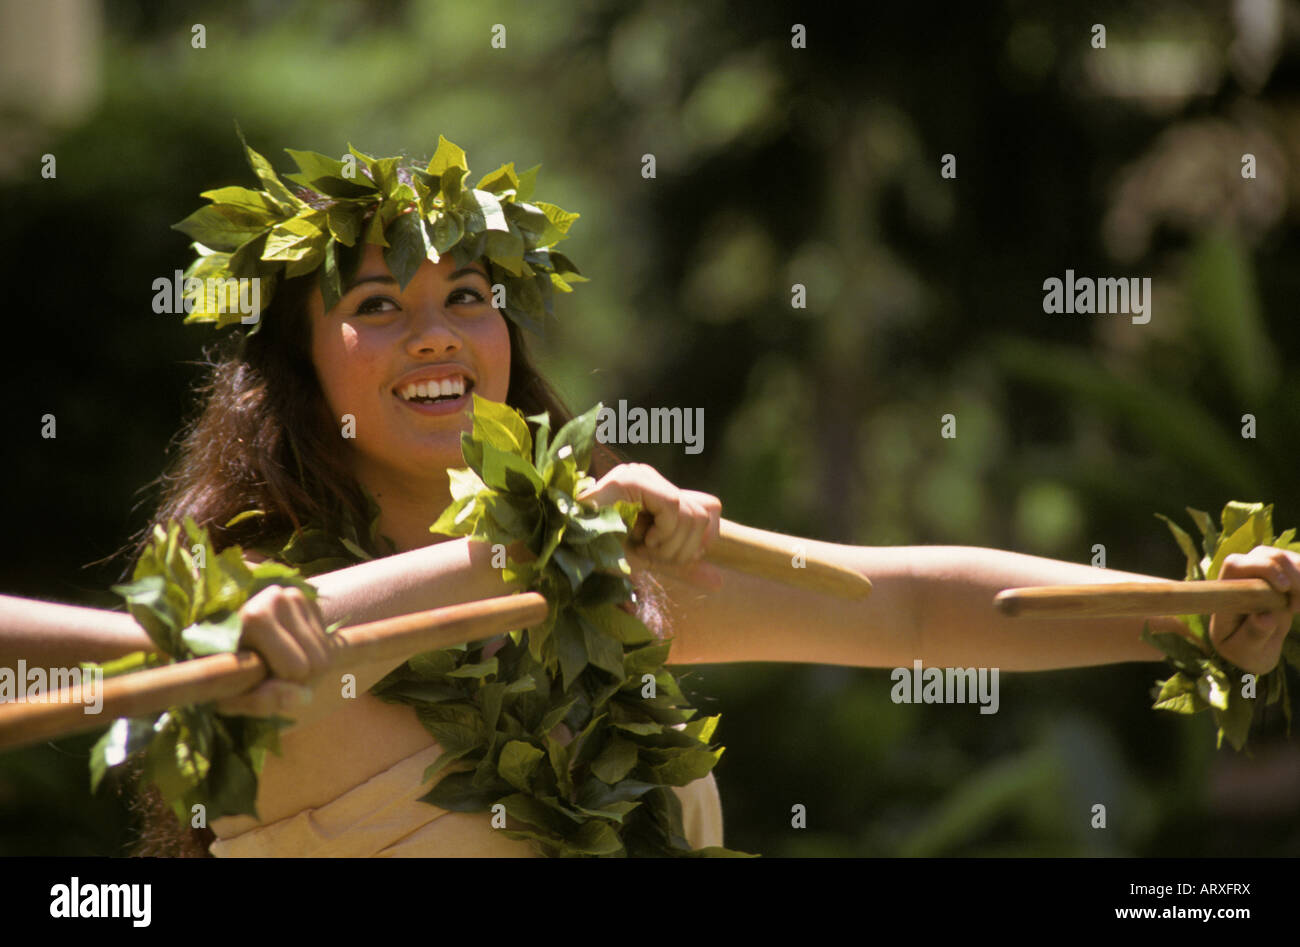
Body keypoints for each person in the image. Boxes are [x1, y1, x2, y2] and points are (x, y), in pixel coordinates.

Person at [11, 135, 1298, 857]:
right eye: (376, 306)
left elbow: (905, 604)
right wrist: (567, 539)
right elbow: (140, 654)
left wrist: (1186, 614)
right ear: (295, 372)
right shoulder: (249, 635)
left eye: (469, 295)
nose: (441, 332)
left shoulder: (595, 582)